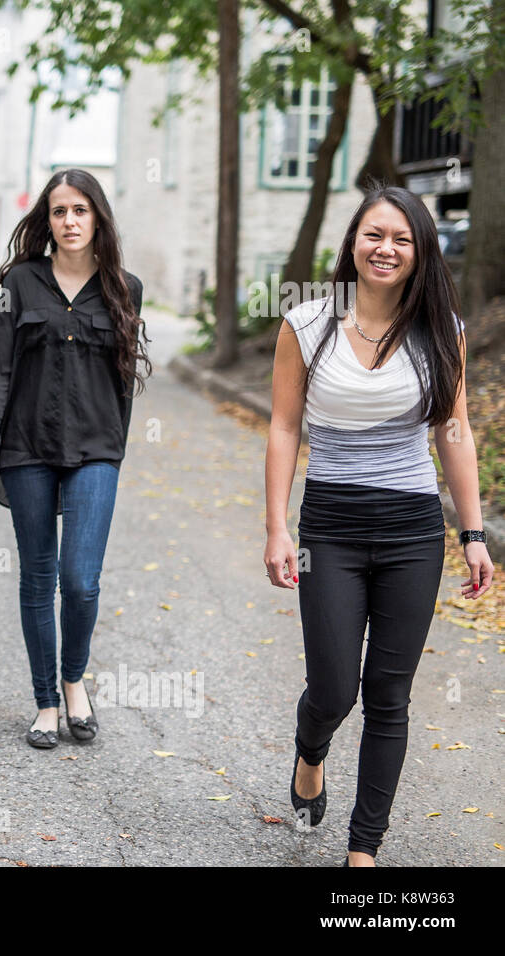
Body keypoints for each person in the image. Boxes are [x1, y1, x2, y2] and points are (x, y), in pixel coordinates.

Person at [264, 184, 494, 866]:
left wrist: (473, 533)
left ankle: (363, 853)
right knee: (334, 689)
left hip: (412, 529)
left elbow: (453, 430)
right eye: (374, 235)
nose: (385, 248)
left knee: (389, 694)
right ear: (353, 244)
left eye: (401, 238)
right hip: (329, 526)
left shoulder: (440, 328)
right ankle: (312, 749)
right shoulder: (308, 323)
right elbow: (282, 427)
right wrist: (277, 526)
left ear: (420, 250)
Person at [0, 168, 150, 749]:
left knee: (81, 580)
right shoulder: (18, 283)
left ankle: (74, 680)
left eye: (79, 210)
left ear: (97, 217)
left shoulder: (126, 287)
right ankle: (46, 700)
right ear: (45, 221)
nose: (69, 222)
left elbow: (123, 382)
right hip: (26, 449)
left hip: (95, 451)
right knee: (38, 576)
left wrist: (115, 450)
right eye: (58, 212)